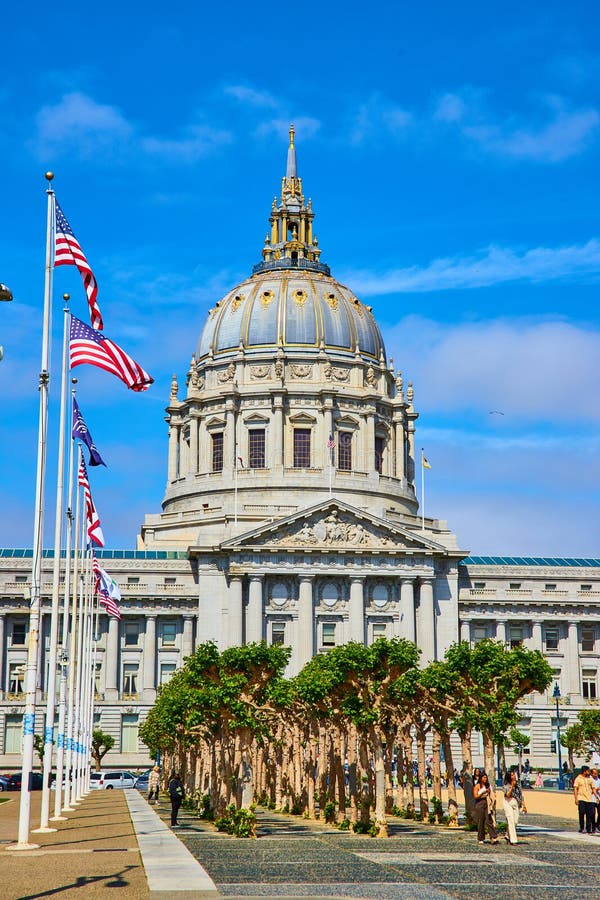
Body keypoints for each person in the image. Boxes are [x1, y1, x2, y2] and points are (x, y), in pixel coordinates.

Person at [473, 772, 499, 845]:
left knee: (488, 820)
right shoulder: (477, 786)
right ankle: (481, 838)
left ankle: (493, 837)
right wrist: (482, 792)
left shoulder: (488, 786)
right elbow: (475, 796)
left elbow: (491, 795)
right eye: (484, 777)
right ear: (481, 778)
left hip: (486, 803)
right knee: (481, 821)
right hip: (479, 803)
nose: (485, 779)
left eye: (486, 777)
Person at [502, 770, 527, 845]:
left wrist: (524, 805)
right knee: (511, 820)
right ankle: (513, 840)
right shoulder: (506, 785)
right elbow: (507, 795)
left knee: (515, 821)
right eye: (512, 775)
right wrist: (512, 786)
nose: (514, 776)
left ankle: (507, 835)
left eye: (514, 775)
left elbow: (521, 795)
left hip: (516, 803)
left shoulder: (518, 784)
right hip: (507, 802)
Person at [573, 765, 599, 834]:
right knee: (581, 812)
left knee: (589, 814)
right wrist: (576, 798)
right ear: (584, 771)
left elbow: (593, 788)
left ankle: (588, 829)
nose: (589, 772)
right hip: (581, 798)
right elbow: (575, 789)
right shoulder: (578, 778)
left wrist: (596, 796)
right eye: (588, 771)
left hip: (589, 799)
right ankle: (581, 827)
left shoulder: (590, 779)